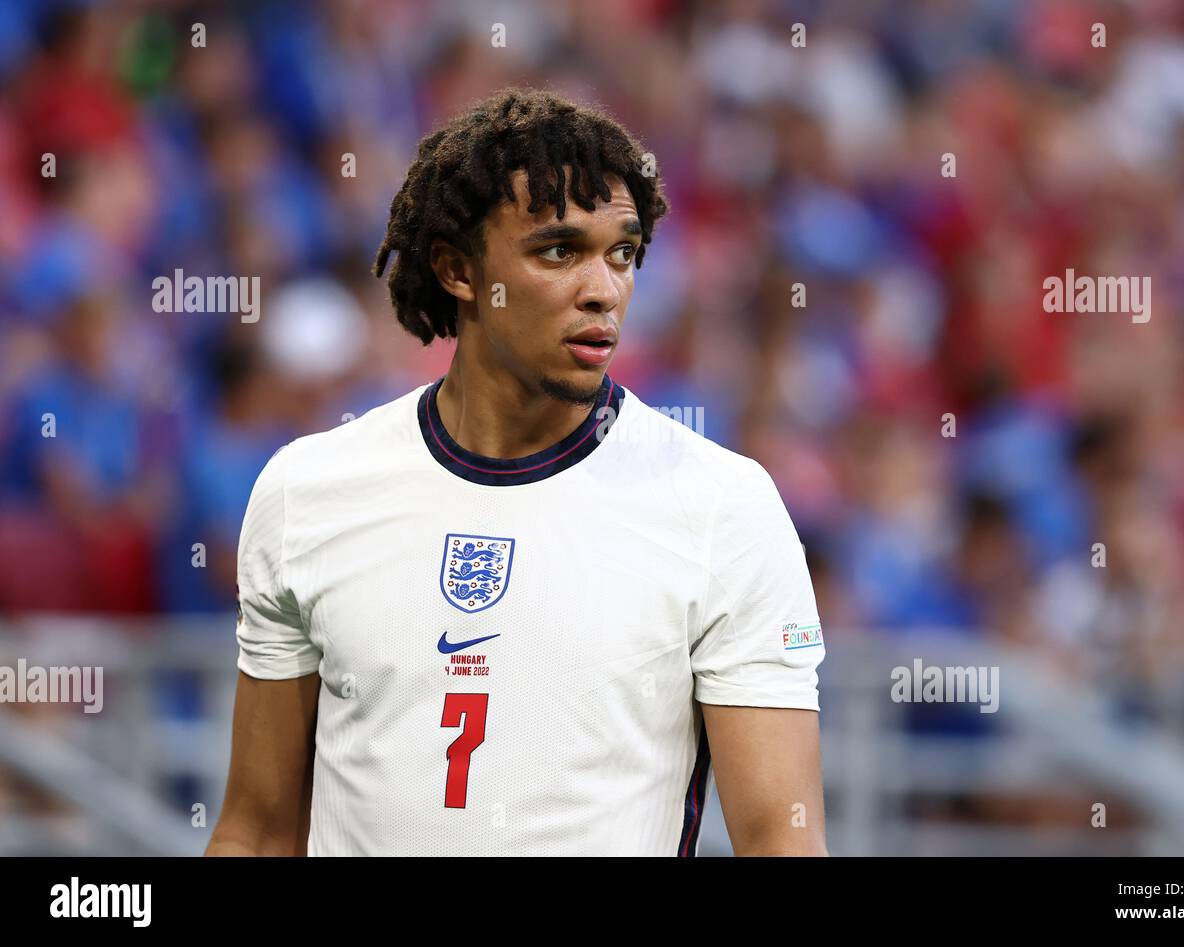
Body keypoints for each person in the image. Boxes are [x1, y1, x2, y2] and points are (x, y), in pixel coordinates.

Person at [206, 87, 827, 856]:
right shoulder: (306, 491)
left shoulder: (723, 506)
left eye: (622, 253)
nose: (604, 290)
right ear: (457, 269)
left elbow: (781, 841)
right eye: (559, 251)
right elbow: (256, 832)